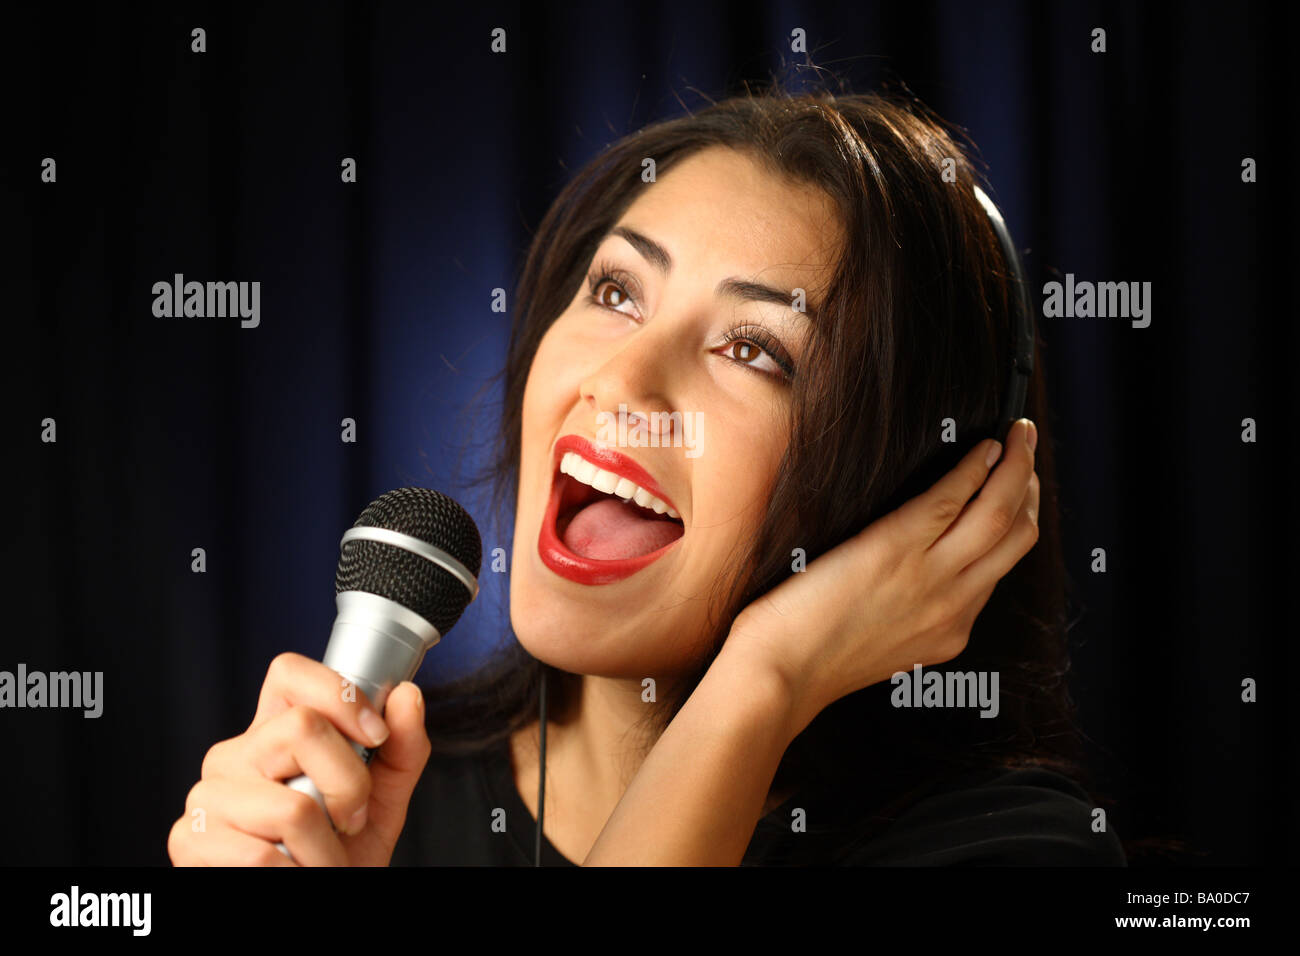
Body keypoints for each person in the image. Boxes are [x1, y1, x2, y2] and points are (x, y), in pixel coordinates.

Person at [168, 86, 1126, 867]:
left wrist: (768, 674)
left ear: (924, 496)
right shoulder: (366, 811)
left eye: (754, 349)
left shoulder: (1009, 853)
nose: (619, 380)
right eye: (617, 291)